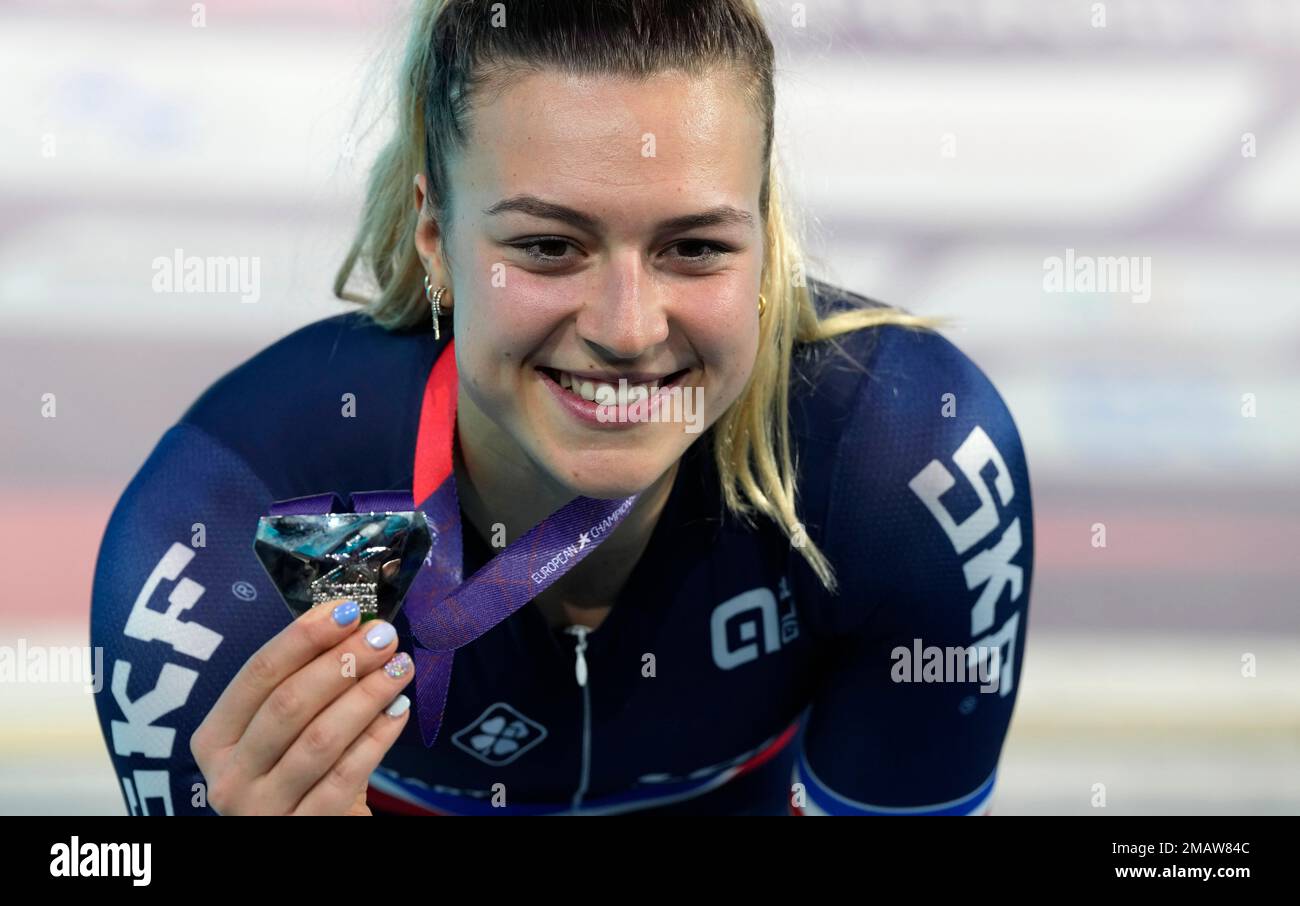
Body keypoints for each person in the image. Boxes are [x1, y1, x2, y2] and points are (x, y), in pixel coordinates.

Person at [90, 0, 1033, 815]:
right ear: (435, 236)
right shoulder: (223, 535)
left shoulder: (906, 464)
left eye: (695, 247)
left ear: (766, 242)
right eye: (548, 246)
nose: (627, 329)